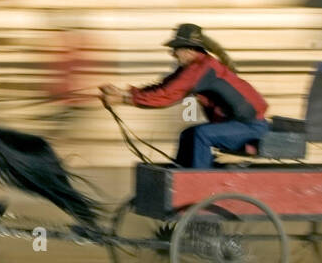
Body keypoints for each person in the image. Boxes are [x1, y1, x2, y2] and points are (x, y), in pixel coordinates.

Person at [98, 24, 269, 169]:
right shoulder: (195, 66)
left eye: (175, 49)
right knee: (188, 134)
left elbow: (166, 96)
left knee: (201, 134)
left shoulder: (201, 69)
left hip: (250, 127)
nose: (173, 54)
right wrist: (123, 93)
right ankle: (182, 179)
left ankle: (198, 185)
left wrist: (123, 101)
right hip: (240, 124)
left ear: (189, 50)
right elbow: (163, 87)